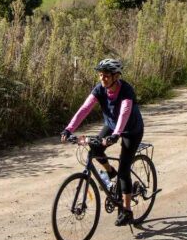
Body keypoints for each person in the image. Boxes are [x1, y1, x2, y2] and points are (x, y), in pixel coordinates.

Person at [61, 58, 144, 226]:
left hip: (131, 130)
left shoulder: (126, 90)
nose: (102, 78)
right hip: (112, 126)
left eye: (106, 75)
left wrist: (116, 134)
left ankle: (127, 210)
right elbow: (85, 108)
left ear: (116, 76)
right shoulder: (100, 89)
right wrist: (69, 129)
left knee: (124, 169)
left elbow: (125, 112)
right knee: (95, 149)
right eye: (100, 75)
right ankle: (110, 172)